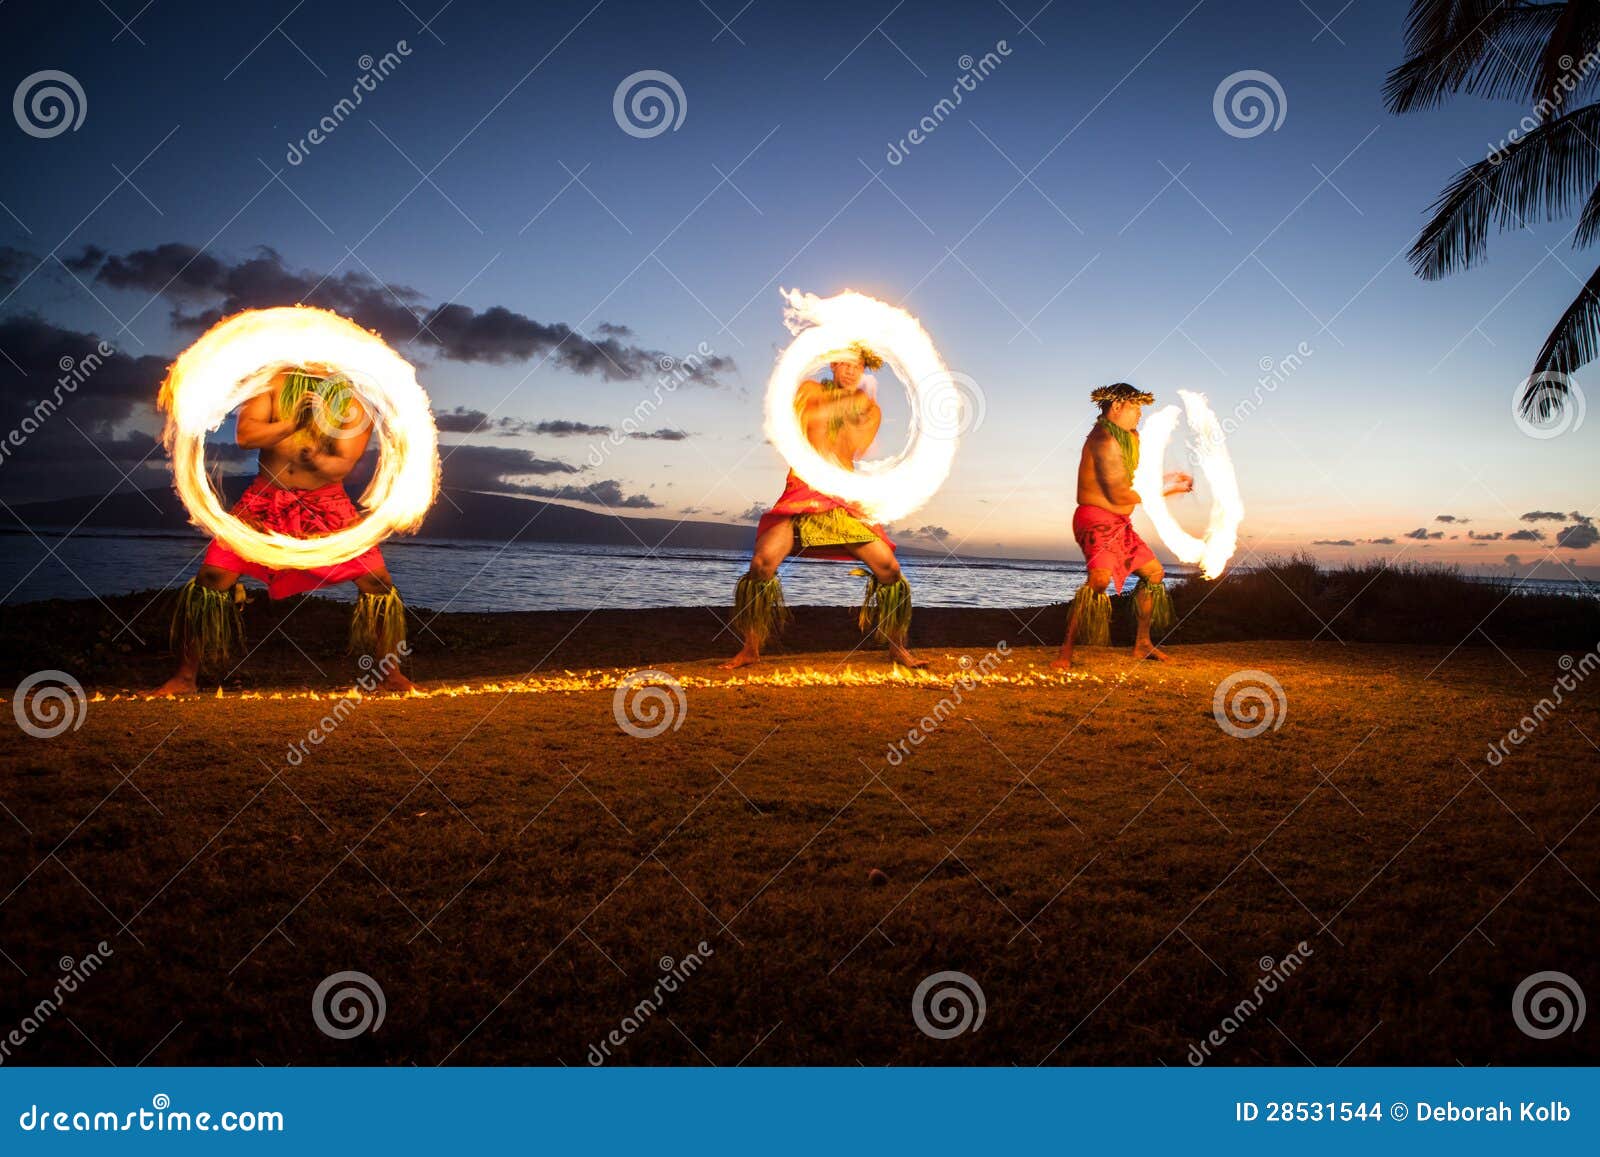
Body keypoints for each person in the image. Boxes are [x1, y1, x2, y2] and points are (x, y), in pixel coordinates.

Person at [150, 369, 413, 695]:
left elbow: (343, 464)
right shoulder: (273, 384)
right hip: (264, 503)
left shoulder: (353, 401)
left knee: (378, 584)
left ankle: (390, 674)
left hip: (327, 507)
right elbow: (246, 436)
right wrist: (293, 423)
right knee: (212, 579)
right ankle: (185, 677)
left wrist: (315, 457)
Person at [722, 343, 925, 669]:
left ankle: (897, 648)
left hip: (840, 497)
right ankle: (750, 649)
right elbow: (784, 421)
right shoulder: (808, 391)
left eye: (856, 366)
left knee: (890, 570)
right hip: (801, 492)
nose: (849, 370)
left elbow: (856, 447)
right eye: (843, 364)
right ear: (831, 364)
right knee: (761, 565)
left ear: (864, 370)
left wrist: (854, 407)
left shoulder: (869, 409)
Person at [1054, 382, 1192, 670]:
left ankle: (1142, 644)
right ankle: (1065, 652)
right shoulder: (1103, 440)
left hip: (1121, 523)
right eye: (1135, 407)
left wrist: (1166, 478)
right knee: (1099, 581)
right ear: (1117, 406)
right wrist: (1167, 489)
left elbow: (1133, 480)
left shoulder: (1130, 437)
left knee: (1154, 573)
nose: (1140, 414)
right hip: (1095, 520)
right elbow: (1118, 493)